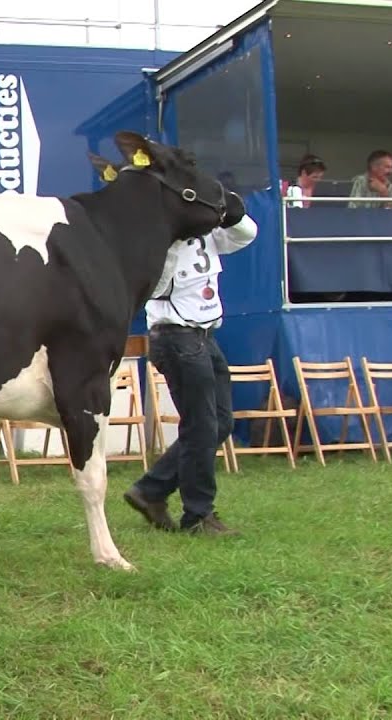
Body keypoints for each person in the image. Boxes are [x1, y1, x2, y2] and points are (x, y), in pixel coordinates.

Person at [122, 191, 256, 535]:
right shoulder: (158, 239)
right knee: (200, 425)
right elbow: (156, 286)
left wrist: (236, 215)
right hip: (175, 335)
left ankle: (151, 490)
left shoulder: (207, 234)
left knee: (220, 422)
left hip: (204, 335)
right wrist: (174, 238)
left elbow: (244, 236)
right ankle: (198, 515)